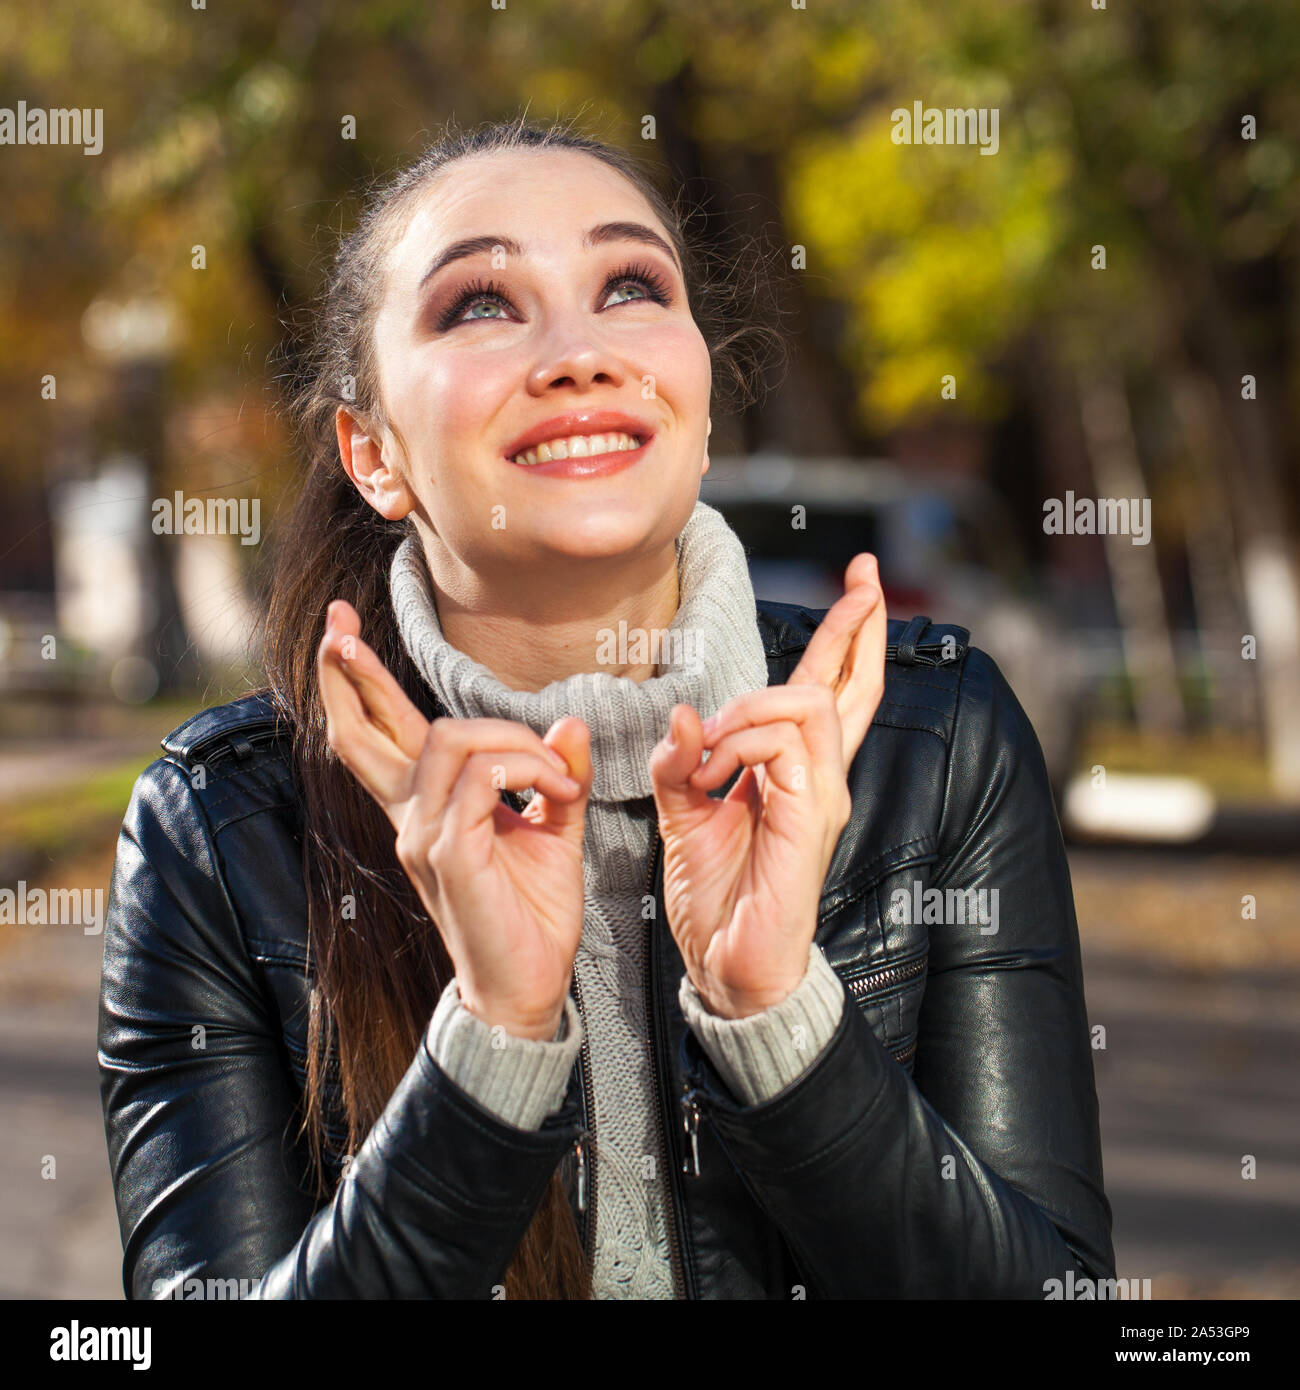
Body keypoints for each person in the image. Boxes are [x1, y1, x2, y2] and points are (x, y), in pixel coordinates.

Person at [98, 113, 1115, 1300]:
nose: (578, 353)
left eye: (630, 285)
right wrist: (491, 1043)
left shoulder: (936, 744)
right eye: (481, 303)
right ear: (371, 452)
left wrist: (777, 1015)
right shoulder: (217, 831)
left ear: (695, 386)